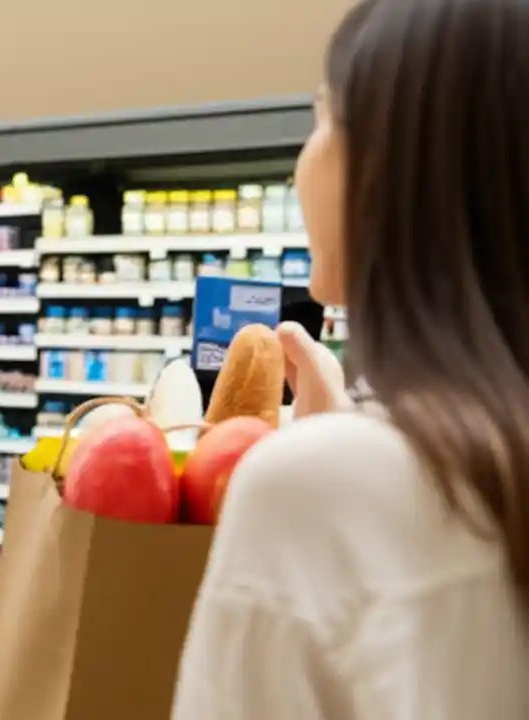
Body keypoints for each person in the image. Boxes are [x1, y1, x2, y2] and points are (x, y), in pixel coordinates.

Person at [173, 0, 529, 717]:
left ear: (396, 172)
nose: (304, 163)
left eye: (324, 118)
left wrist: (334, 461)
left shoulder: (316, 487)